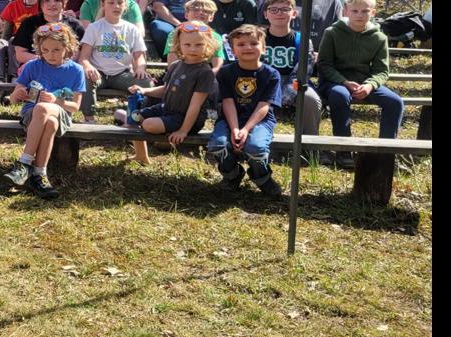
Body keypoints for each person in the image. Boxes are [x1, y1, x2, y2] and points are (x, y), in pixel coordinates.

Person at [316, 0, 402, 169]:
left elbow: (382, 70)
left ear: (373, 13)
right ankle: (344, 150)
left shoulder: (379, 38)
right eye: (355, 11)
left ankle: (386, 153)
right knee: (340, 95)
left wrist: (370, 85)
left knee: (395, 102)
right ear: (346, 11)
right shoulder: (332, 33)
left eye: (365, 11)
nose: (359, 15)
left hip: (364, 83)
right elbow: (324, 64)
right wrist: (344, 82)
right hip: (334, 82)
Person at [3, 21, 83, 198]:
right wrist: (18, 94)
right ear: (39, 49)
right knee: (50, 122)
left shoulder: (76, 70)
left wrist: (56, 100)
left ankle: (24, 163)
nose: (50, 55)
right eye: (45, 50)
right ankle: (39, 175)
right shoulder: (32, 66)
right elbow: (14, 98)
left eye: (56, 50)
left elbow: (75, 106)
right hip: (31, 115)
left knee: (44, 109)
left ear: (67, 47)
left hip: (62, 114)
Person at [117, 19, 213, 165]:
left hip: (187, 119)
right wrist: (144, 90)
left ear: (208, 45)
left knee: (148, 124)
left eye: (199, 45)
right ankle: (141, 155)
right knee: (133, 119)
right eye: (187, 45)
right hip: (166, 108)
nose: (193, 49)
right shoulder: (175, 65)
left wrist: (183, 131)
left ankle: (165, 137)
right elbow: (165, 90)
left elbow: (195, 106)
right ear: (179, 45)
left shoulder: (204, 72)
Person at [206, 24, 280, 196]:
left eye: (254, 43)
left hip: (260, 120)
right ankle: (232, 175)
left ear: (264, 48)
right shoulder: (225, 73)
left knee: (255, 148)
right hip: (230, 119)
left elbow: (264, 106)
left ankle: (262, 177)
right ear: (232, 50)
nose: (248, 47)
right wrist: (235, 129)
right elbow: (227, 101)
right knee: (217, 145)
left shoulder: (271, 74)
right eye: (241, 44)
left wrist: (246, 129)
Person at [261, 0, 321, 163]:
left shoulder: (302, 39)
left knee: (310, 99)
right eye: (273, 9)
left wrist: (287, 91)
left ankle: (310, 148)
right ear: (265, 14)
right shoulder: (258, 37)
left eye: (284, 9)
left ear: (294, 13)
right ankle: (261, 146)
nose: (279, 13)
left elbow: (305, 67)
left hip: (292, 81)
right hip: (264, 82)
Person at [76, 0, 147, 123]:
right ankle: (89, 118)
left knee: (146, 83)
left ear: (125, 5)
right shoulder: (94, 27)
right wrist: (88, 66)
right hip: (98, 73)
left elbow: (139, 56)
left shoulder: (132, 29)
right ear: (103, 5)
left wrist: (140, 68)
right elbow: (83, 58)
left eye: (120, 3)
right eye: (111, 3)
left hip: (122, 74)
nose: (116, 6)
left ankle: (139, 117)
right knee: (85, 78)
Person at [162, 0, 222, 69]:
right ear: (186, 14)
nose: (201, 13)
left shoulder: (215, 36)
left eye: (206, 11)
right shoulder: (175, 33)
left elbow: (217, 65)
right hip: (180, 70)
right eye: (195, 10)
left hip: (206, 71)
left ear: (211, 17)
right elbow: (172, 61)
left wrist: (212, 74)